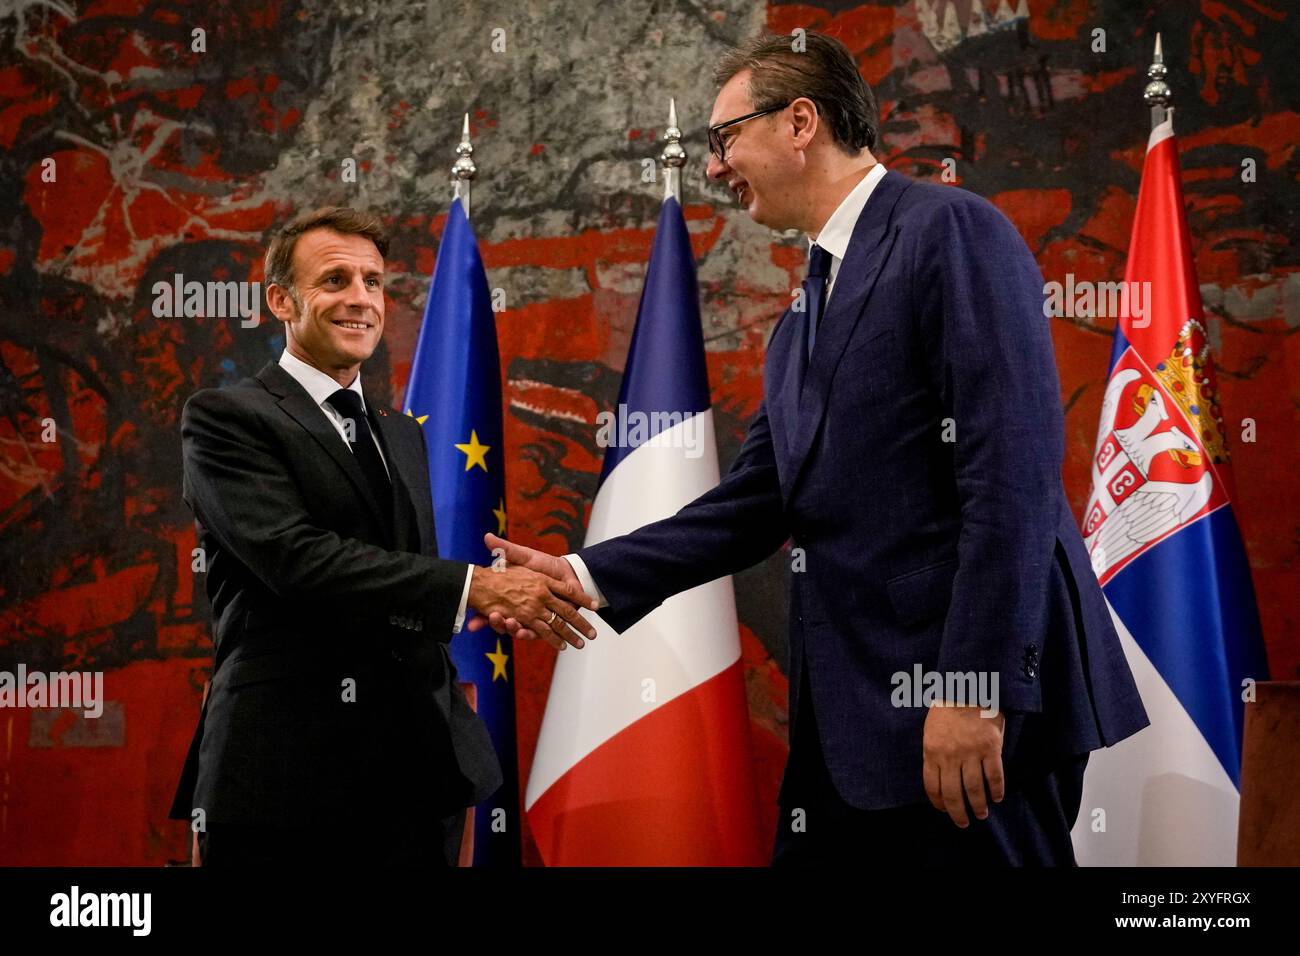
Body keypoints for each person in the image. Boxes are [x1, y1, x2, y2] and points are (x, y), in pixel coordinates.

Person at [479, 32, 1149, 866]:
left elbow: (1009, 477)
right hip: (852, 722)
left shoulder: (951, 229)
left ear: (801, 121)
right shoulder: (802, 314)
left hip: (962, 709)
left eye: (725, 139)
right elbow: (759, 497)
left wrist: (972, 691)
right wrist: (582, 574)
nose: (716, 167)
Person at [168, 206, 597, 867]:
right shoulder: (227, 417)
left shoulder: (399, 429)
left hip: (417, 773)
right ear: (281, 299)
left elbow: (399, 580)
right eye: (335, 280)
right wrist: (473, 586)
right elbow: (297, 559)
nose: (360, 299)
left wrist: (479, 603)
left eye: (373, 281)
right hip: (283, 775)